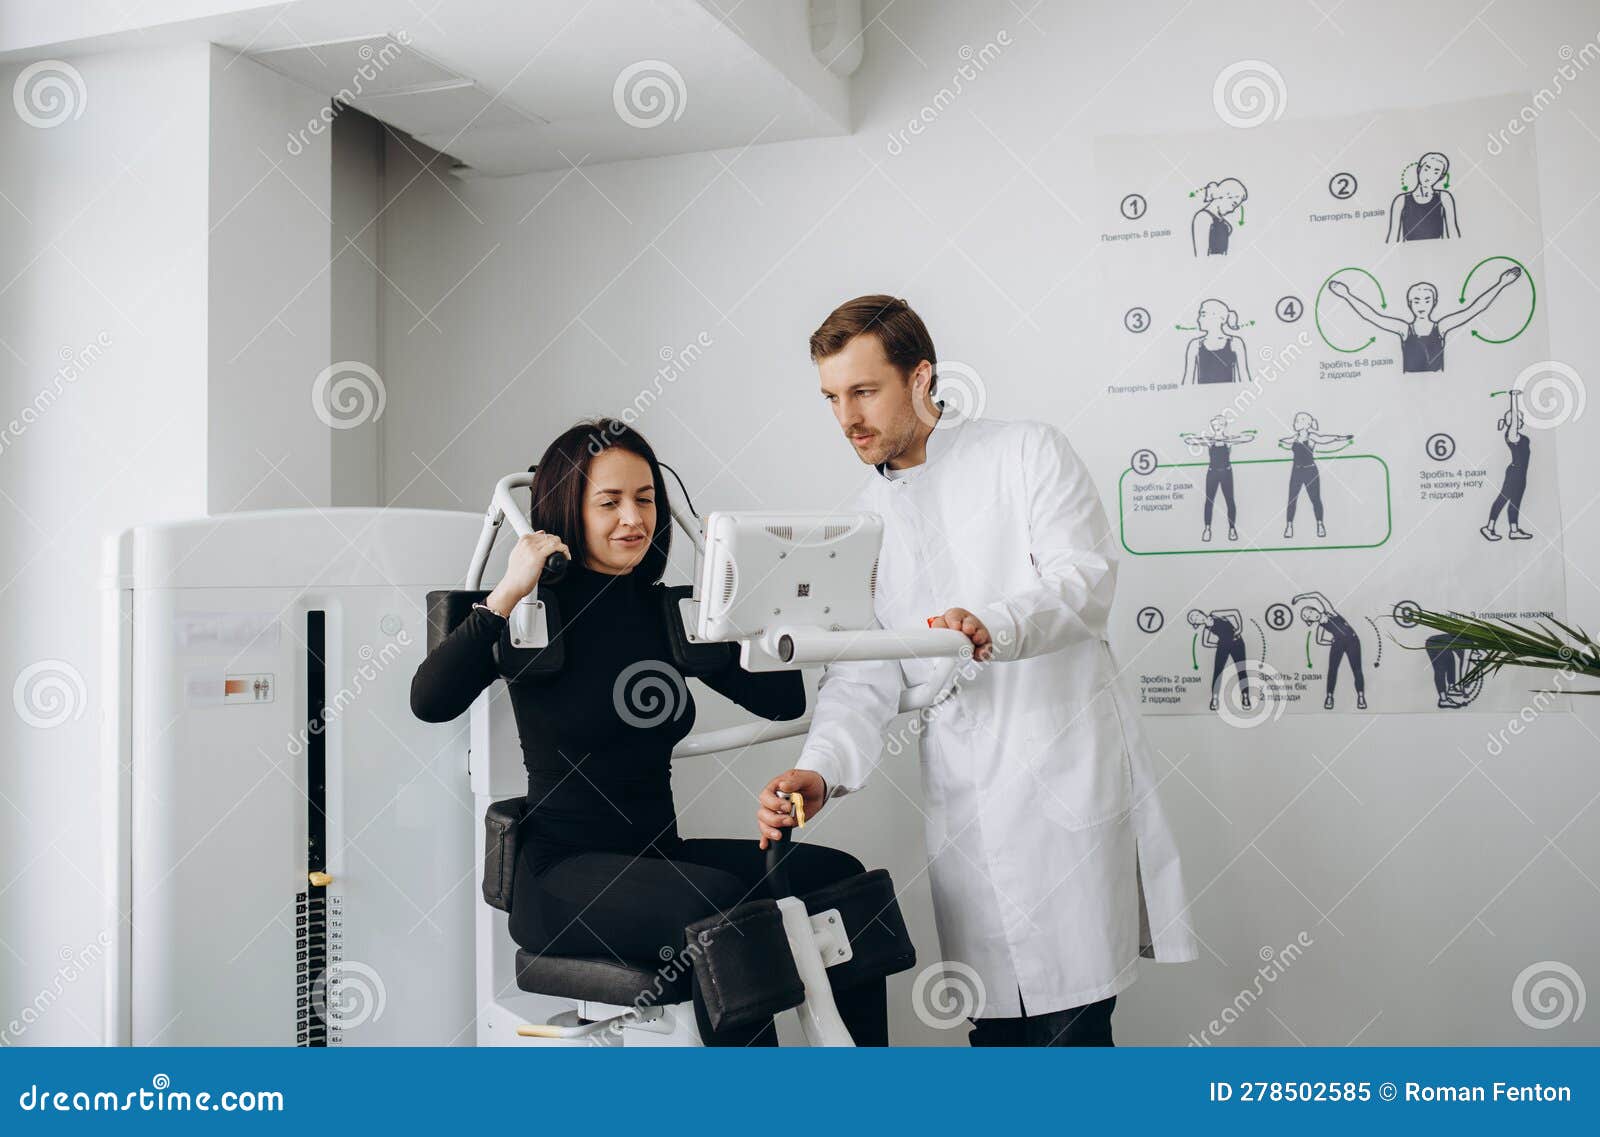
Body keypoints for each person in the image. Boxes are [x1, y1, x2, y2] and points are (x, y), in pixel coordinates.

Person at [754, 296, 1198, 1047]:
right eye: (832, 398)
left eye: (864, 391)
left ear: (921, 376)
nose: (847, 418)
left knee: (1073, 1033)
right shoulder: (860, 524)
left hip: (1061, 781)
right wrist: (820, 769)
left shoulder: (1026, 453)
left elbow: (1084, 580)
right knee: (992, 1031)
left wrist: (996, 622)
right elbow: (862, 675)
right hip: (966, 809)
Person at [411, 420, 888, 1046]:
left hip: (659, 857)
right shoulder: (532, 615)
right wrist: (506, 591)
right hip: (559, 876)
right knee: (717, 907)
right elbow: (431, 701)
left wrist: (748, 600)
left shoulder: (669, 613)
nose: (633, 518)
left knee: (839, 880)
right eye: (609, 502)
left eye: (644, 498)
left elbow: (780, 702)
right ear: (567, 511)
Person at [1326, 267, 1521, 373]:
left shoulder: (1441, 327)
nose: (1422, 304)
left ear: (1434, 302)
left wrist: (1502, 283)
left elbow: (1475, 309)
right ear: (1409, 303)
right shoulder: (1404, 329)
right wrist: (1346, 295)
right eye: (1417, 300)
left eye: (1427, 300)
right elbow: (1371, 316)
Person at [1293, 591, 1367, 710]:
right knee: (1332, 669)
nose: (1311, 615)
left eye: (1310, 612)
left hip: (1352, 641)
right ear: (1310, 621)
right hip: (1338, 643)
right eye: (1307, 617)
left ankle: (1361, 696)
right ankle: (1329, 697)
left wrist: (1299, 597)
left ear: (1315, 609)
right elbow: (1319, 640)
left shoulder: (1330, 612)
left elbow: (1317, 595)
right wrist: (1331, 642)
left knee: (1357, 669)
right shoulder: (1321, 626)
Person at [1482, 389, 1532, 541]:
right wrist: (1513, 397)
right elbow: (1514, 420)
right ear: (1512, 422)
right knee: (1502, 499)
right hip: (1514, 473)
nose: (1521, 420)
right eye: (1518, 418)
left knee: (1515, 502)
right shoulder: (1512, 435)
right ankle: (1489, 528)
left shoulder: (1517, 435)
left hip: (1521, 474)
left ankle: (1514, 530)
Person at [1187, 608, 1249, 712]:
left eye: (1197, 615)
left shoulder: (1215, 614)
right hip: (1223, 646)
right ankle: (1214, 699)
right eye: (1194, 619)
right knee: (1218, 672)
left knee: (1241, 670)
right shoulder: (1207, 629)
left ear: (1201, 612)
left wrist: (1239, 629)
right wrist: (1219, 645)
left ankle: (1245, 696)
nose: (1197, 618)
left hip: (1237, 642)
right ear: (1196, 624)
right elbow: (1205, 643)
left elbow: (1234, 612)